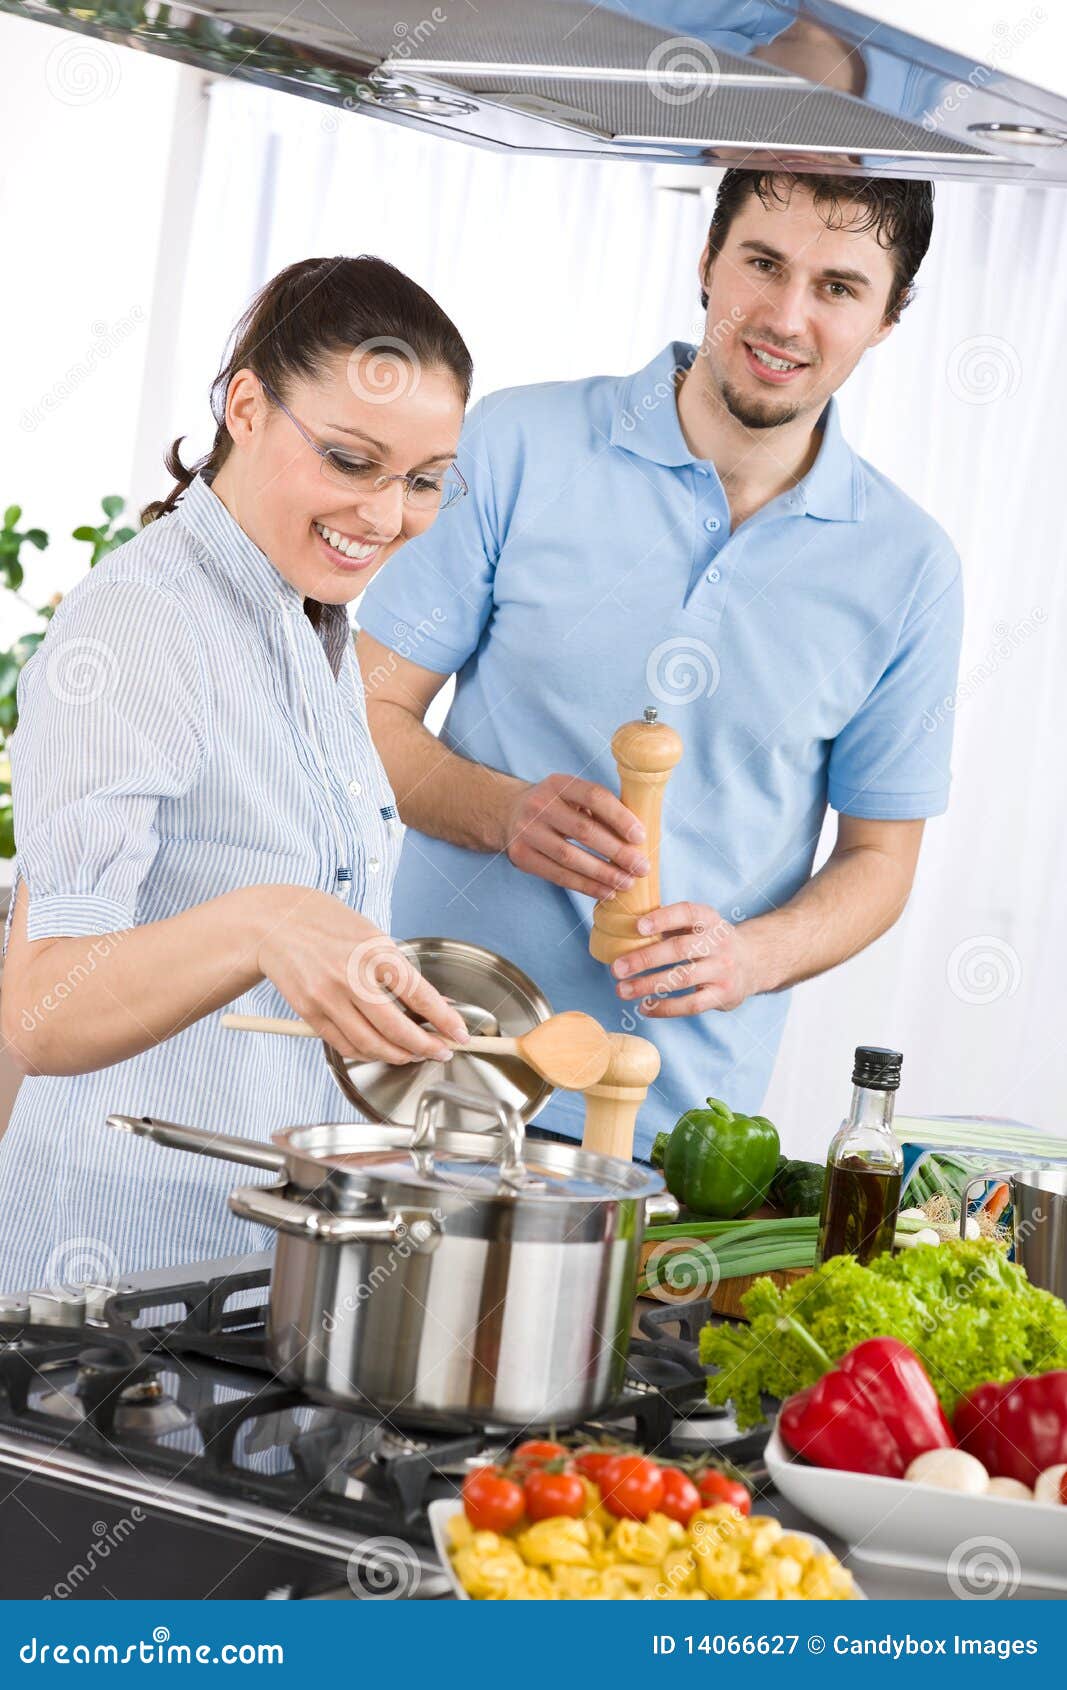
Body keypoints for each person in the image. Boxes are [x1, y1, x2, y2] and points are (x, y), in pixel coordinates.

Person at [357, 171, 964, 1156]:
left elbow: (879, 860)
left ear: (887, 317)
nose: (783, 316)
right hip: (432, 1071)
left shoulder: (909, 567)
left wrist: (752, 954)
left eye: (838, 288)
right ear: (706, 261)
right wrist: (504, 814)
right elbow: (362, 716)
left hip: (678, 1130)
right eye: (761, 264)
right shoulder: (515, 444)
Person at [0, 256, 474, 1293]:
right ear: (247, 407)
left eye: (425, 478)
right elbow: (38, 1007)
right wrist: (263, 920)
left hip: (250, 1260)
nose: (388, 515)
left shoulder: (310, 628)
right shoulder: (144, 625)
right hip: (105, 1266)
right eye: (352, 460)